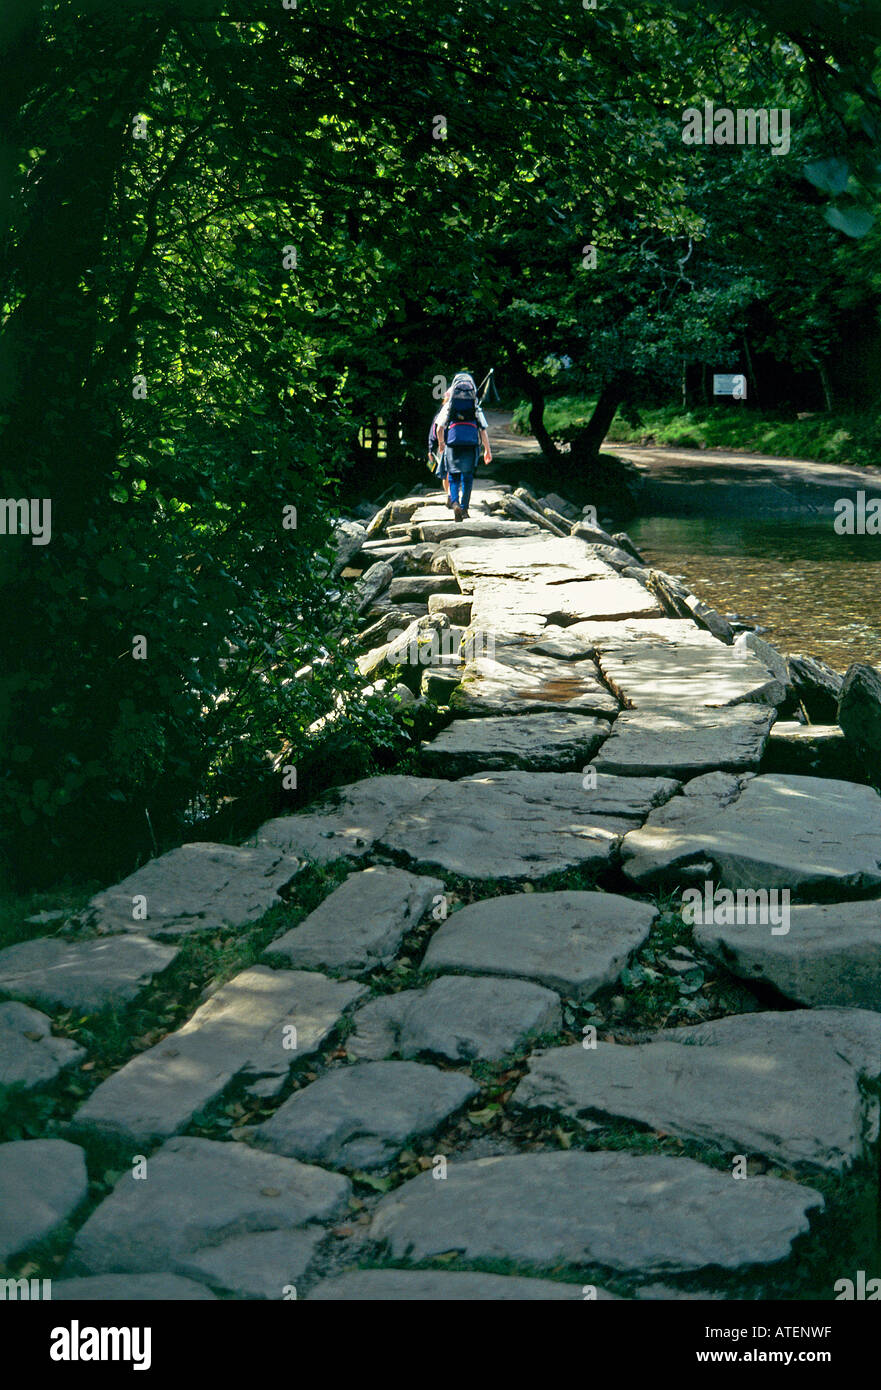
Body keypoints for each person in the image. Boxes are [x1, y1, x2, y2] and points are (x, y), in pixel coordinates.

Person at [436, 372, 493, 521]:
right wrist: (487, 450)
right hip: (470, 445)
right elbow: (483, 430)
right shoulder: (475, 406)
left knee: (453, 477)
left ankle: (455, 503)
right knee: (467, 477)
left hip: (452, 445)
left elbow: (439, 428)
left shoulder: (449, 405)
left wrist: (441, 443)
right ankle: (465, 509)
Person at [427, 389, 453, 506]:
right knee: (455, 472)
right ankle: (452, 494)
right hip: (457, 445)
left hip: (442, 446)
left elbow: (434, 432)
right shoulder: (463, 412)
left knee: (445, 472)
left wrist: (431, 449)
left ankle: (449, 494)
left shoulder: (440, 414)